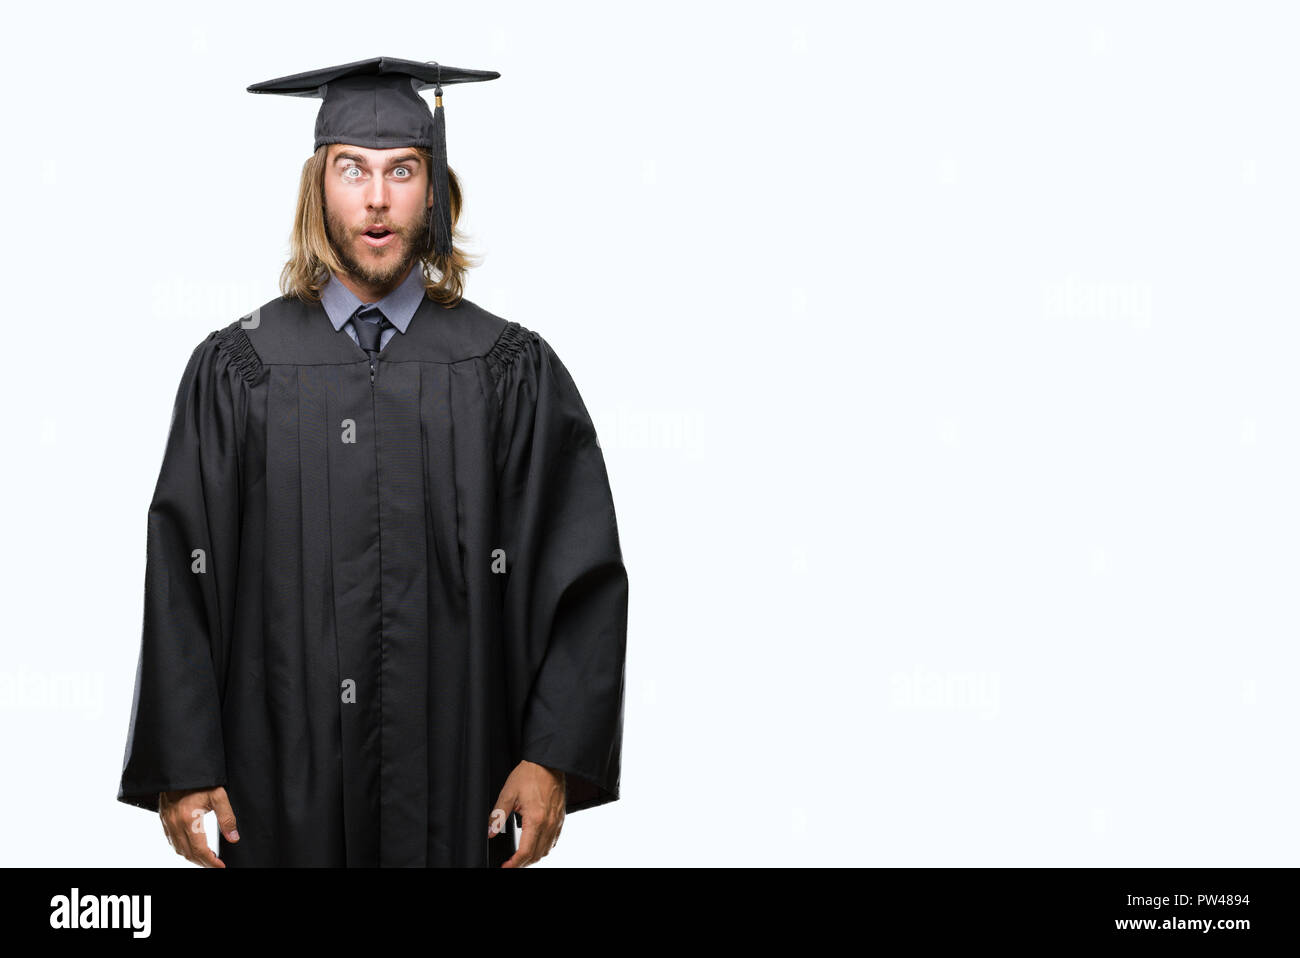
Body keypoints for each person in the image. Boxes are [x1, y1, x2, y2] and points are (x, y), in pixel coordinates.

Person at [116, 57, 629, 868]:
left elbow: (581, 571)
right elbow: (182, 574)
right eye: (352, 169)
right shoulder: (238, 371)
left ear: (435, 192)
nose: (378, 198)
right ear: (319, 188)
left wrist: (551, 755)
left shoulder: (507, 372)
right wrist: (183, 763)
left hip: (464, 788)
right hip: (279, 788)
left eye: (404, 170)